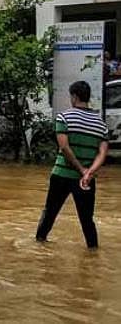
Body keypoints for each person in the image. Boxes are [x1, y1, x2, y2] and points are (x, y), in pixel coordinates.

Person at [35, 81, 108, 249]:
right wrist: (89, 173)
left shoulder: (64, 117)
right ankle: (93, 253)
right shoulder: (101, 124)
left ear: (74, 97)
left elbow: (64, 147)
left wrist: (81, 169)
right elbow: (102, 153)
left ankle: (39, 246)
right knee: (87, 220)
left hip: (62, 174)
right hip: (86, 180)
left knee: (50, 214)